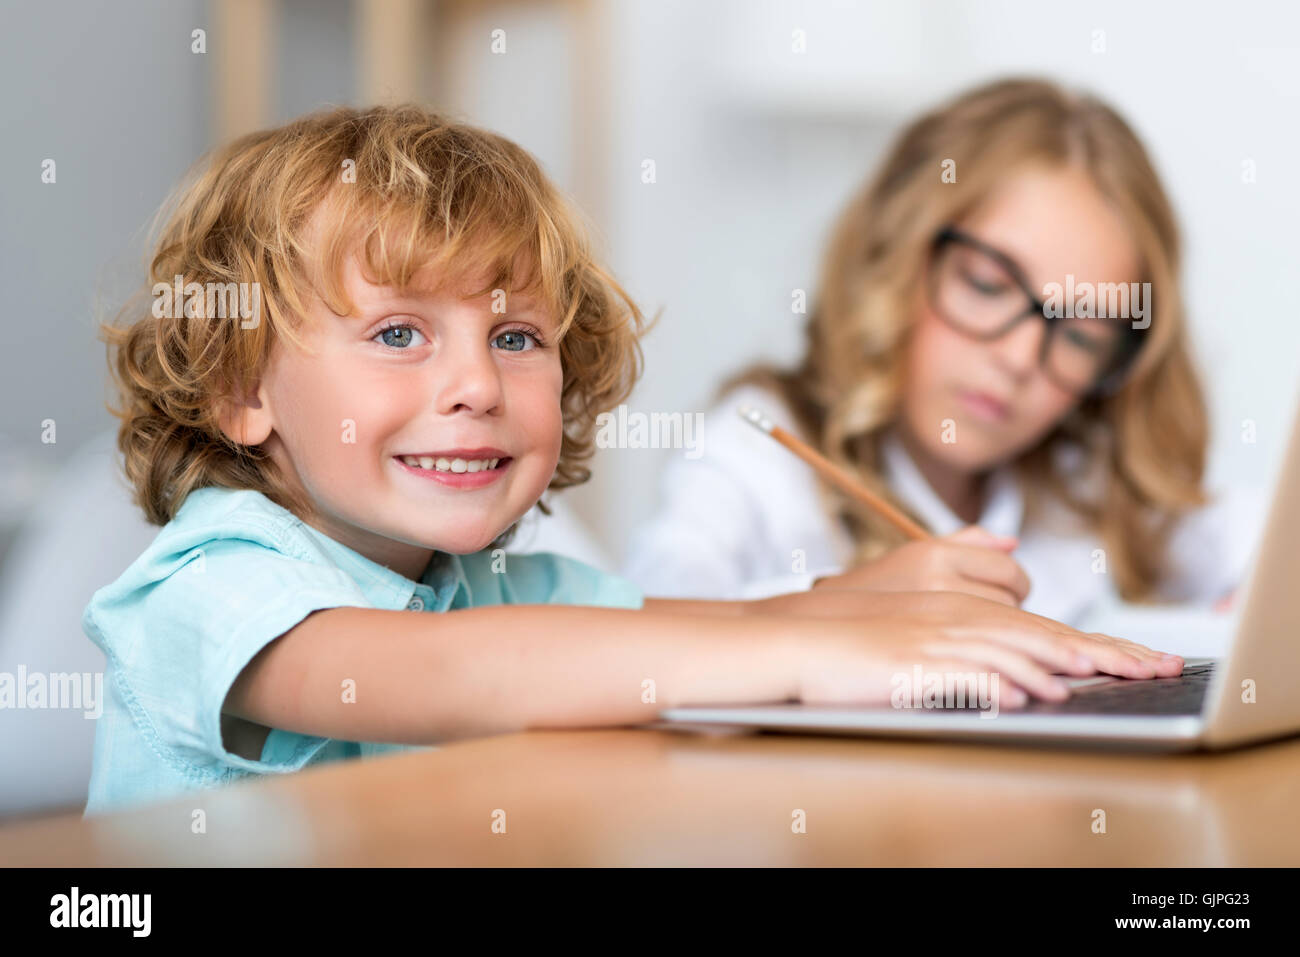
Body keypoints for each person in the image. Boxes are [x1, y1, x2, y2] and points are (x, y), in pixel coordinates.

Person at [82, 104, 1181, 815]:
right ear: (240, 389)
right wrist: (817, 667)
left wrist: (865, 605)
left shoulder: (493, 585)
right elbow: (455, 677)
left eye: (517, 339)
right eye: (399, 333)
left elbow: (672, 629)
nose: (476, 385)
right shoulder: (208, 589)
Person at [624, 78, 1261, 630]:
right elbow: (649, 623)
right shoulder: (760, 450)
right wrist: (842, 606)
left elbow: (1260, 541)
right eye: (987, 286)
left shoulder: (1081, 485)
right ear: (895, 254)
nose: (1018, 358)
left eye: (1080, 333)